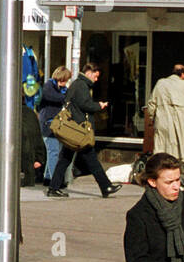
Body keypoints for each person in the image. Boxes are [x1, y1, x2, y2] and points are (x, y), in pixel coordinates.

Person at [46, 63, 122, 200]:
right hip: (78, 131)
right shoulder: (81, 85)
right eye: (96, 76)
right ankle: (106, 186)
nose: (96, 79)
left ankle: (54, 187)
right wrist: (99, 105)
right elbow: (84, 105)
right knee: (91, 159)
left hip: (74, 130)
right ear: (89, 72)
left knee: (64, 159)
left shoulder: (78, 84)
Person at [146, 64, 184, 164]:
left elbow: (152, 103)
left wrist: (152, 117)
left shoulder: (160, 83)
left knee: (162, 146)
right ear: (182, 74)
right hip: (181, 122)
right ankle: (176, 168)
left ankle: (160, 168)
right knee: (179, 147)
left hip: (162, 121)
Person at [39, 66, 71, 188]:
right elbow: (52, 97)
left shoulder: (62, 89)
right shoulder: (48, 86)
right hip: (48, 124)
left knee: (52, 152)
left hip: (55, 124)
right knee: (54, 153)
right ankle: (55, 180)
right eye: (63, 80)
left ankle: (47, 178)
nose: (64, 83)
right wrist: (66, 98)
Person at [21, 94, 46, 188]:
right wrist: (39, 157)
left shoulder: (13, 113)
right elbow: (37, 135)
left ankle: (28, 178)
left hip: (25, 146)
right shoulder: (30, 112)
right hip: (32, 148)